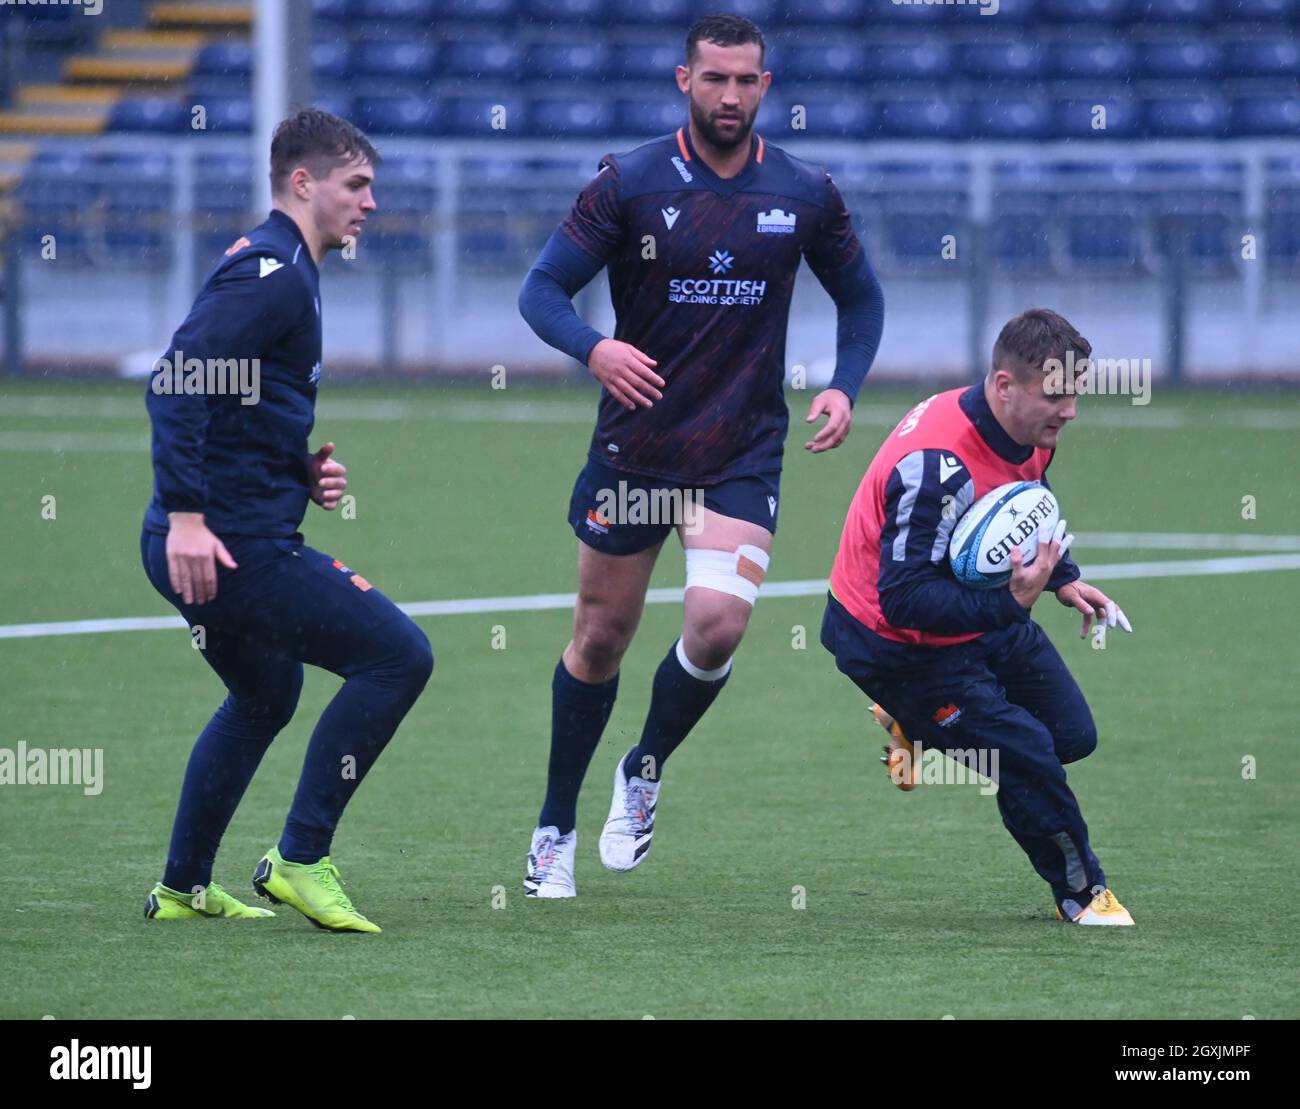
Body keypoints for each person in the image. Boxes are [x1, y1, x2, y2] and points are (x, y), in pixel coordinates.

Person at [516, 14, 885, 897]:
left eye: (745, 80)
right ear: (684, 79)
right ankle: (554, 825)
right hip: (636, 452)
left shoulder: (805, 193)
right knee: (600, 639)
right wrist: (596, 348)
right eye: (713, 79)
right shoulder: (630, 183)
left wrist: (843, 385)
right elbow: (540, 289)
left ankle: (643, 767)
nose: (729, 95)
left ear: (767, 84)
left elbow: (862, 299)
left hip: (740, 452)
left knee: (716, 627)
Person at [141, 109, 432, 933]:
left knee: (268, 691)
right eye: (357, 185)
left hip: (216, 534)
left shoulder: (285, 268)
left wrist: (298, 470)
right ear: (303, 183)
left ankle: (181, 888)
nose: (370, 203)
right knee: (398, 655)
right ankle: (302, 857)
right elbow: (177, 382)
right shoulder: (273, 270)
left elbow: (234, 399)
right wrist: (190, 517)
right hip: (225, 548)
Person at [821, 308, 1136, 925]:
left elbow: (1019, 507)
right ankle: (1081, 895)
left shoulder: (1026, 430)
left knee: (1072, 737)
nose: (1069, 410)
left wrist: (1063, 578)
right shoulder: (936, 467)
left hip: (974, 618)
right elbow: (903, 599)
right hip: (892, 644)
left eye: (1074, 393)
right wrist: (1009, 603)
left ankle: (910, 727)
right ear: (1003, 387)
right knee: (1025, 755)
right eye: (1056, 395)